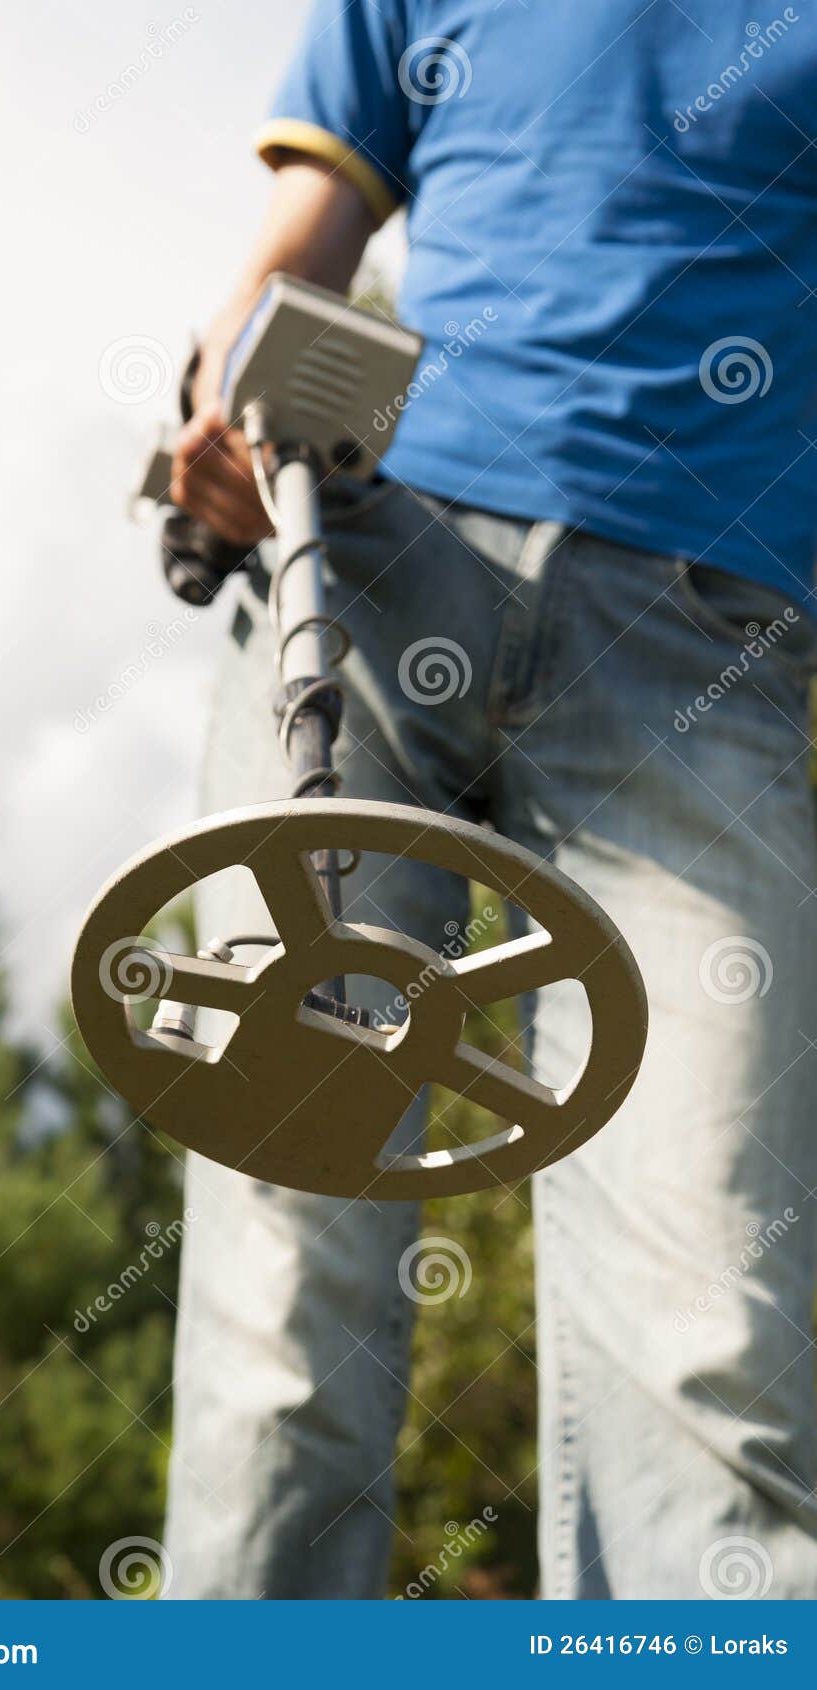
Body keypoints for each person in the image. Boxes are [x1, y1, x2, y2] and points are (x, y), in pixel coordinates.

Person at [163, 0, 817, 1599]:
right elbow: (293, 254)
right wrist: (217, 408)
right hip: (365, 578)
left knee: (714, 1333)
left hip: (697, 655)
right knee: (284, 1307)